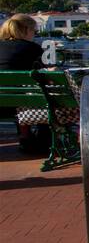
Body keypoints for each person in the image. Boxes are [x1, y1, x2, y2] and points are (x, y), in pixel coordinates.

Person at [0, 14, 49, 152]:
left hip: (1, 103)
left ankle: (25, 135)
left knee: (19, 95)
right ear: (26, 30)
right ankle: (36, 138)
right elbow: (43, 76)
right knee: (37, 96)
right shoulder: (32, 49)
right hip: (20, 104)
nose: (34, 34)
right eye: (34, 31)